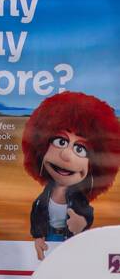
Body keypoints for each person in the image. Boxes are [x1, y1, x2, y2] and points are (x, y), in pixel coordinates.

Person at [21, 91, 120, 261]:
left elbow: (87, 212)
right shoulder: (45, 195)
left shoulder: (78, 196)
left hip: (72, 241)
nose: (66, 155)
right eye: (60, 141)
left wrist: (81, 223)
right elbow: (37, 213)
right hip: (49, 238)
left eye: (80, 149)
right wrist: (38, 236)